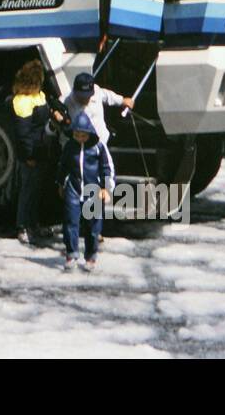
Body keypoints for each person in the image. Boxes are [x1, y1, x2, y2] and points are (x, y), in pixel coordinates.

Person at [11, 60, 63, 246]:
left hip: (42, 150)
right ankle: (22, 226)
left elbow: (46, 110)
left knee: (37, 190)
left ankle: (33, 223)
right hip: (32, 153)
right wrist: (28, 156)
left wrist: (53, 112)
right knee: (27, 190)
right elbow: (23, 134)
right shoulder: (22, 101)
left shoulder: (39, 96)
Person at [61, 71, 134, 193]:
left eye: (88, 95)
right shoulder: (66, 100)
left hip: (99, 143)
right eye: (82, 95)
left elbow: (107, 95)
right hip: (78, 147)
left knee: (105, 168)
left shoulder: (97, 91)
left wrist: (122, 100)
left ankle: (106, 191)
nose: (85, 98)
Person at [59, 111, 112, 271]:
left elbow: (105, 168)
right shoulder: (70, 147)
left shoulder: (98, 148)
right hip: (74, 188)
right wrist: (60, 183)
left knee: (93, 225)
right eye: (77, 134)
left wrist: (104, 187)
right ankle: (71, 253)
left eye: (83, 135)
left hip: (92, 190)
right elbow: (63, 167)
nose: (80, 138)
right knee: (70, 222)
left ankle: (90, 256)